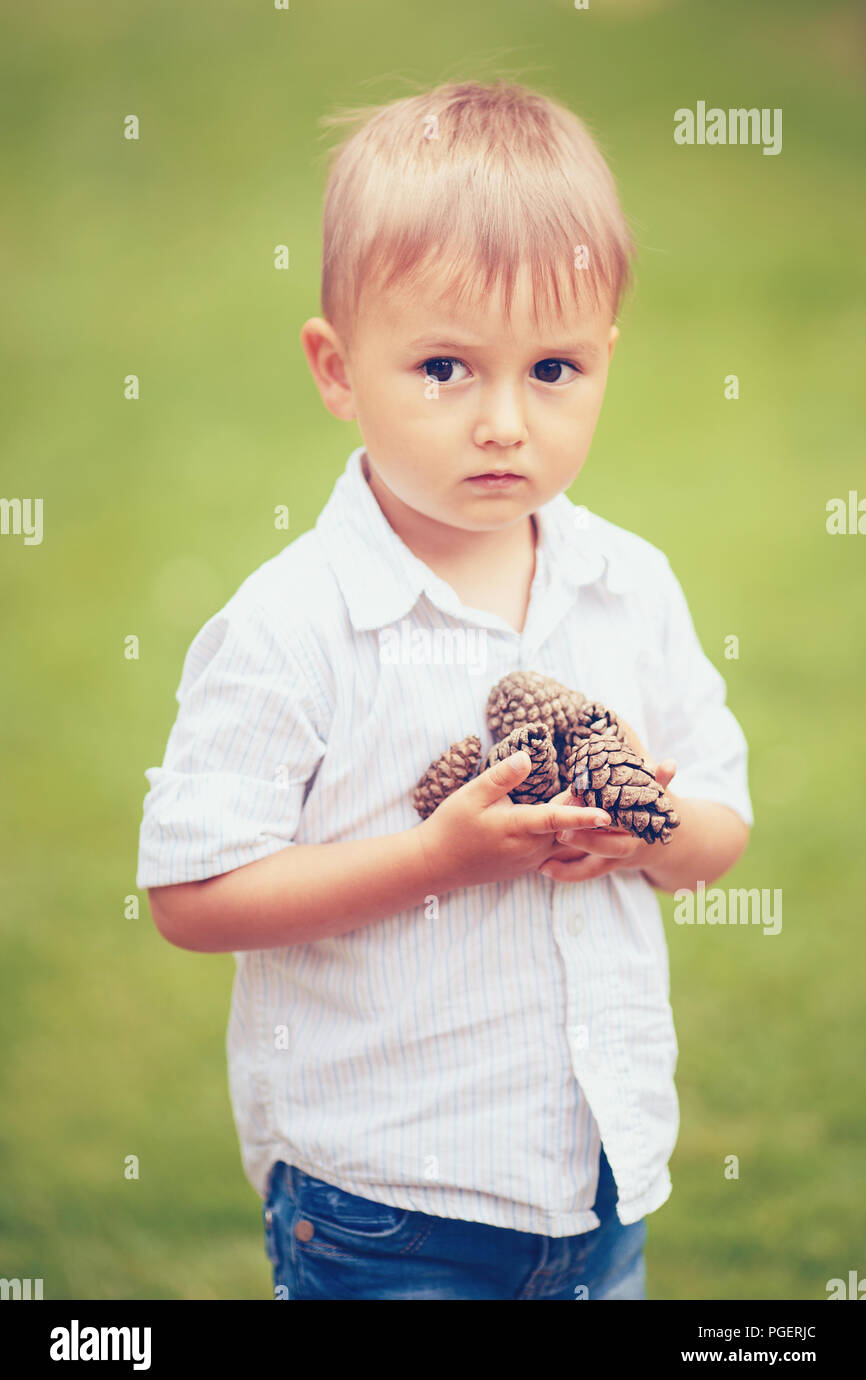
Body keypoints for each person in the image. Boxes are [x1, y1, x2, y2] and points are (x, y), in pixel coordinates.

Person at [137, 79, 753, 1300]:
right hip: (386, 1214)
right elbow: (191, 894)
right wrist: (434, 860)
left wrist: (641, 826)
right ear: (334, 367)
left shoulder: (628, 587)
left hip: (598, 1186)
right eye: (441, 367)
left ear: (606, 360)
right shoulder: (292, 624)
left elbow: (716, 837)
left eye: (554, 368)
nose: (503, 423)